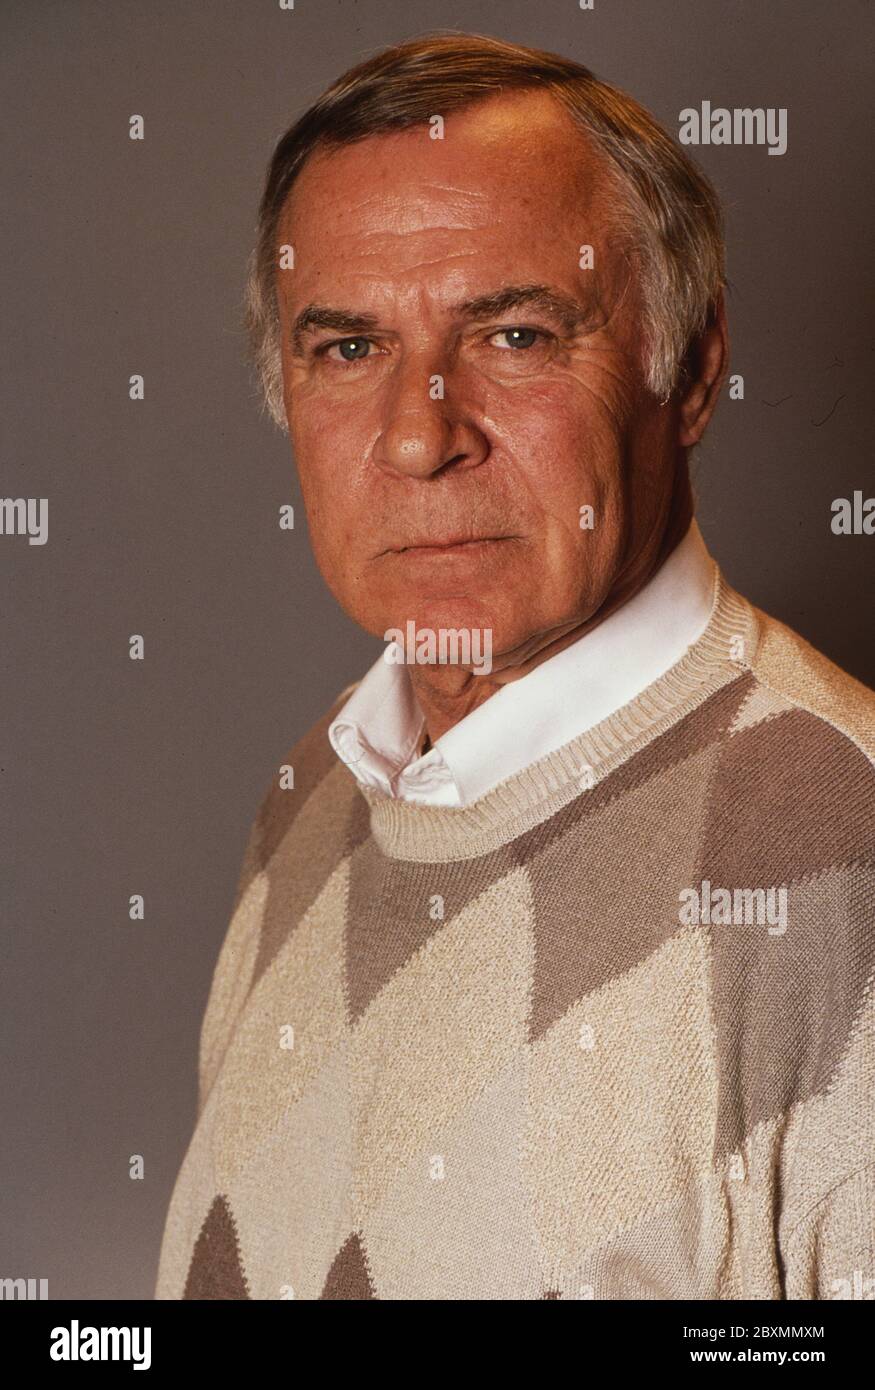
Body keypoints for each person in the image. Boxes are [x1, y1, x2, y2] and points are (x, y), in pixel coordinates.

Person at [156, 33, 875, 1300]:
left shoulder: (845, 851)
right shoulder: (311, 797)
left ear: (691, 365)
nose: (421, 433)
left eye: (518, 335)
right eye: (348, 348)